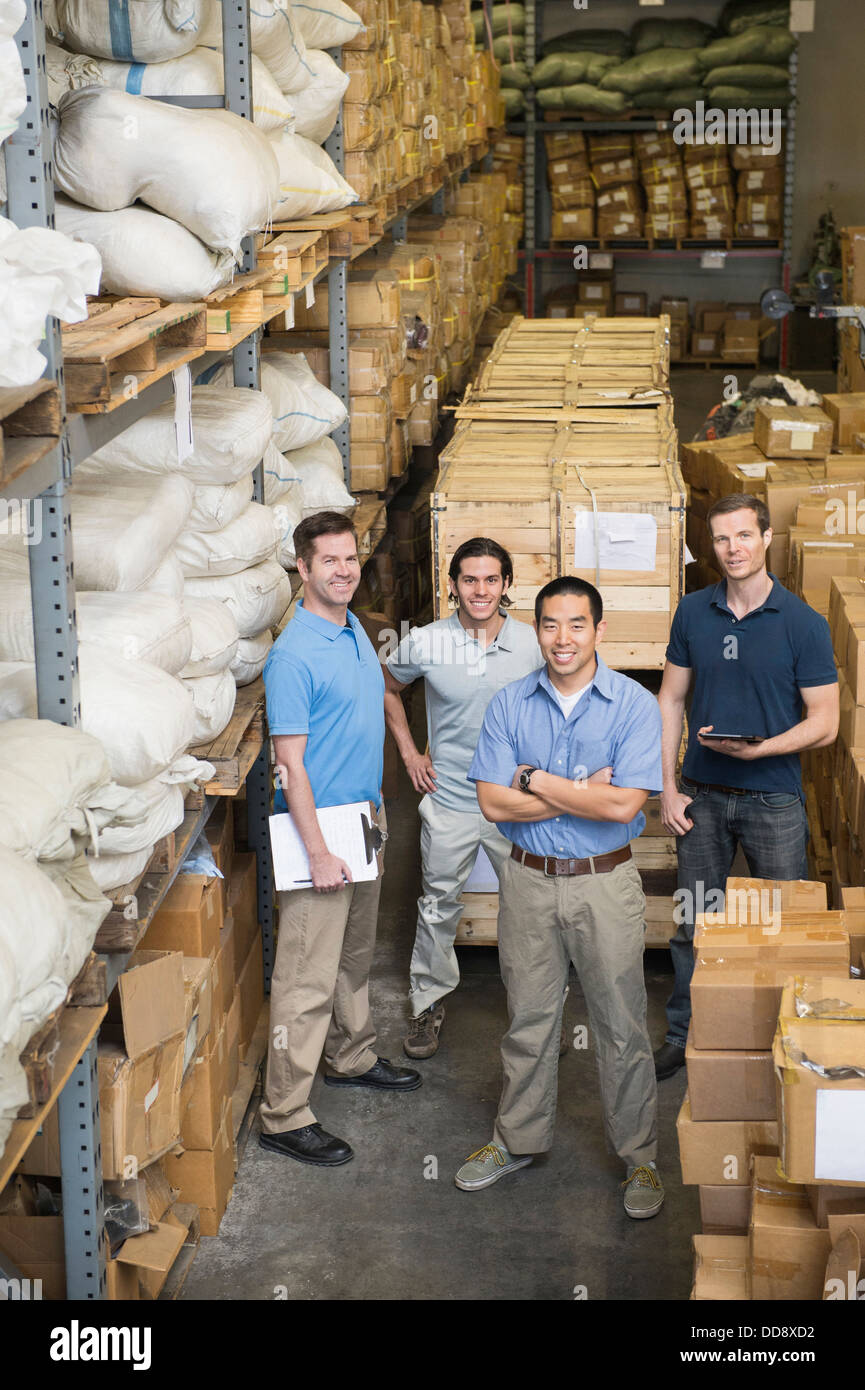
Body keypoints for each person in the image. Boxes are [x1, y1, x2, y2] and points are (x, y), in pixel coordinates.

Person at [454, 576, 665, 1219]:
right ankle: (517, 1140)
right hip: (528, 880)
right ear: (536, 629)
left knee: (622, 1024)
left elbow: (625, 803)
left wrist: (536, 779)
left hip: (606, 882)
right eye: (550, 624)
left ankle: (640, 1159)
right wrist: (581, 788)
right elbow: (492, 803)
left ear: (600, 630)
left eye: (577, 624)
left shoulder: (633, 705)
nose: (563, 638)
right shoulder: (510, 703)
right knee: (528, 1019)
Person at [654, 493, 839, 1080]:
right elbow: (671, 698)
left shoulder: (803, 624)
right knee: (692, 924)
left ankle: (783, 1038)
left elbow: (826, 723)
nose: (732, 549)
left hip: (773, 800)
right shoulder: (692, 612)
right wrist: (667, 787)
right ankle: (685, 1034)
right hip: (701, 796)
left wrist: (761, 748)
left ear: (766, 540)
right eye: (720, 539)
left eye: (743, 536)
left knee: (780, 925)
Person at [259, 511, 421, 1168]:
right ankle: (283, 1114)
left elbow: (375, 704)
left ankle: (350, 1058)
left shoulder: (352, 625)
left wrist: (382, 795)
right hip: (317, 835)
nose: (344, 570)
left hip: (362, 822)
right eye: (329, 560)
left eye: (349, 558)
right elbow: (290, 764)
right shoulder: (292, 655)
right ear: (302, 567)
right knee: (304, 978)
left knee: (354, 958)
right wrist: (319, 851)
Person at [384, 537, 542, 1058]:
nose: (480, 590)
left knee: (531, 911)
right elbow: (386, 685)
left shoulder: (533, 644)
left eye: (491, 579)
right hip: (450, 800)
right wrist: (409, 752)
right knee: (436, 908)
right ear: (452, 585)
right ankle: (427, 1003)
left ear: (506, 585)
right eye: (469, 579)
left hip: (517, 808)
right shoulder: (426, 642)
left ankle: (539, 1012)